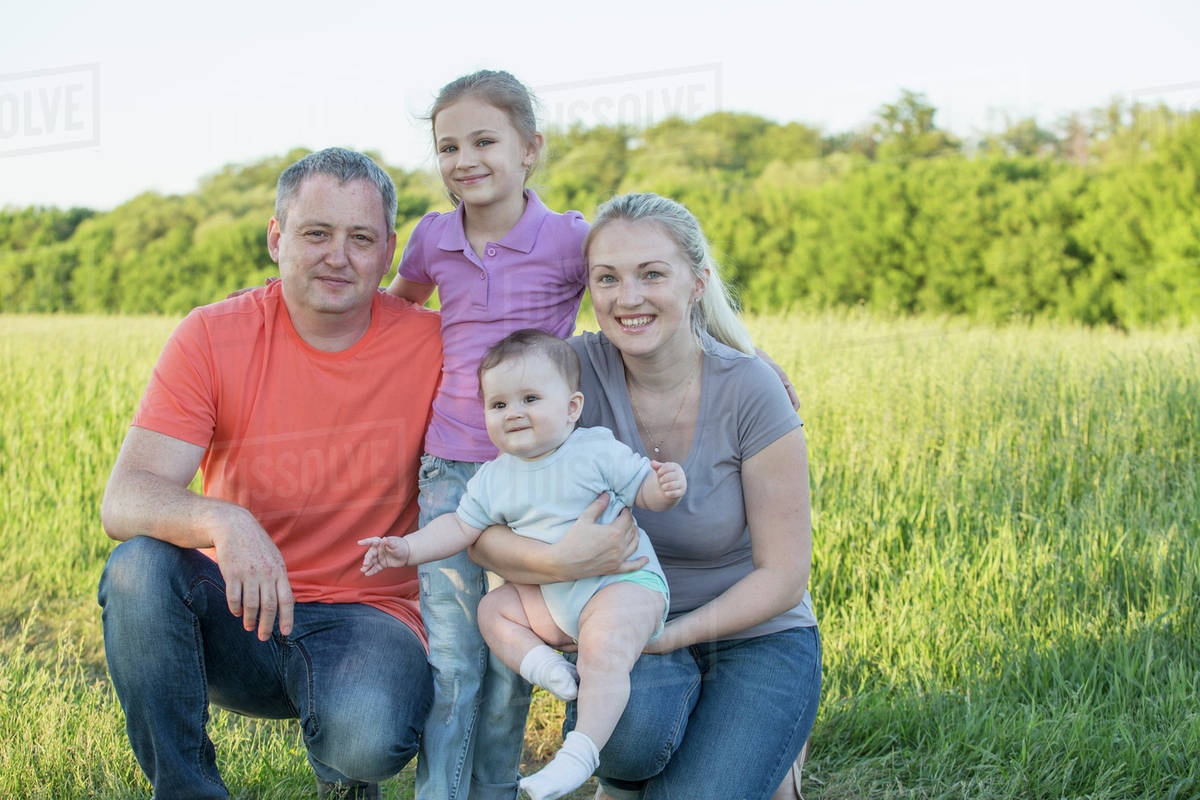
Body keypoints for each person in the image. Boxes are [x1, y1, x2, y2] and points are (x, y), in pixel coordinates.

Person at [97, 147, 442, 800]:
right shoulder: (212, 335)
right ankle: (187, 790)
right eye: (316, 233)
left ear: (390, 250)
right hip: (242, 610)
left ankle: (344, 772)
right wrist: (222, 518)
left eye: (360, 238)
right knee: (138, 567)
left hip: (371, 615)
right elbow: (125, 498)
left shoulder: (433, 344)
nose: (337, 256)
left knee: (368, 738)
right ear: (276, 238)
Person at [469, 193, 821, 800]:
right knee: (630, 742)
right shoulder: (568, 378)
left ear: (696, 284)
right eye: (607, 278)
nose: (627, 298)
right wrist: (558, 564)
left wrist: (673, 636)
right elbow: (481, 530)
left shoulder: (750, 389)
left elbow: (785, 577)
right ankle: (637, 772)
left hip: (757, 633)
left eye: (652, 274)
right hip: (627, 618)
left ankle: (775, 756)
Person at [384, 69, 593, 800]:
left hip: (535, 481)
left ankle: (495, 791)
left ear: (529, 148)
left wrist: (745, 358)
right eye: (448, 146)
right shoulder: (433, 238)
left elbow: (640, 299)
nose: (464, 159)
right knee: (454, 656)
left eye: (483, 140)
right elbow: (398, 309)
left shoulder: (570, 239)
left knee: (512, 659)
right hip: (451, 470)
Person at [358, 329, 681, 800]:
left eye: (530, 398)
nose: (514, 413)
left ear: (571, 408)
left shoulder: (592, 449)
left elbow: (641, 489)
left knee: (605, 643)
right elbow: (459, 528)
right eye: (499, 404)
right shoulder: (494, 477)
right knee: (493, 610)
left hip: (625, 583)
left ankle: (580, 752)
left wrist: (664, 489)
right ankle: (550, 669)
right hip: (554, 599)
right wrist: (405, 549)